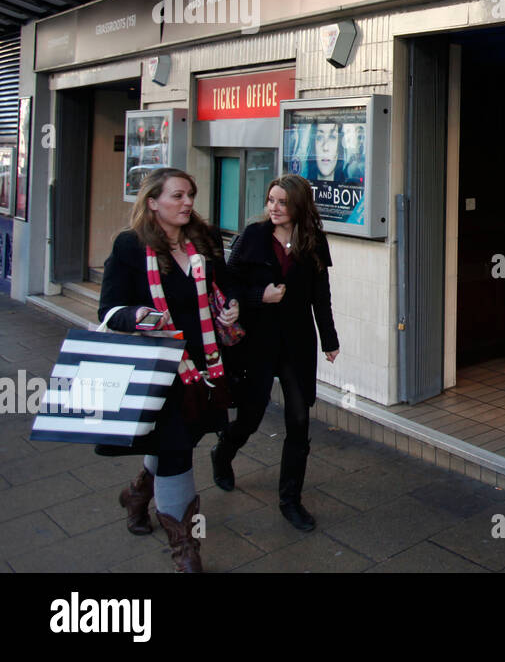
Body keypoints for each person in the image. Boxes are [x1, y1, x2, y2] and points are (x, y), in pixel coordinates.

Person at [98, 167, 242, 573]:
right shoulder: (130, 246)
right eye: (178, 196)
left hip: (205, 368)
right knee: (176, 450)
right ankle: (185, 551)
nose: (187, 203)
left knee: (177, 441)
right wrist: (138, 314)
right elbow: (108, 310)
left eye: (190, 195)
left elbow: (224, 282)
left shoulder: (205, 239)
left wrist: (230, 303)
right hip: (160, 371)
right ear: (153, 202)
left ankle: (137, 494)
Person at [215, 174, 340, 531]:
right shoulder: (252, 237)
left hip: (297, 344)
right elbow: (229, 284)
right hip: (258, 342)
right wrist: (259, 298)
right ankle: (223, 453)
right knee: (251, 417)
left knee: (299, 422)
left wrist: (329, 340)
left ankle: (290, 500)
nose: (274, 207)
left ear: (298, 206)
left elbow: (321, 296)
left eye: (282, 202)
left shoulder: (313, 241)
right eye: (271, 200)